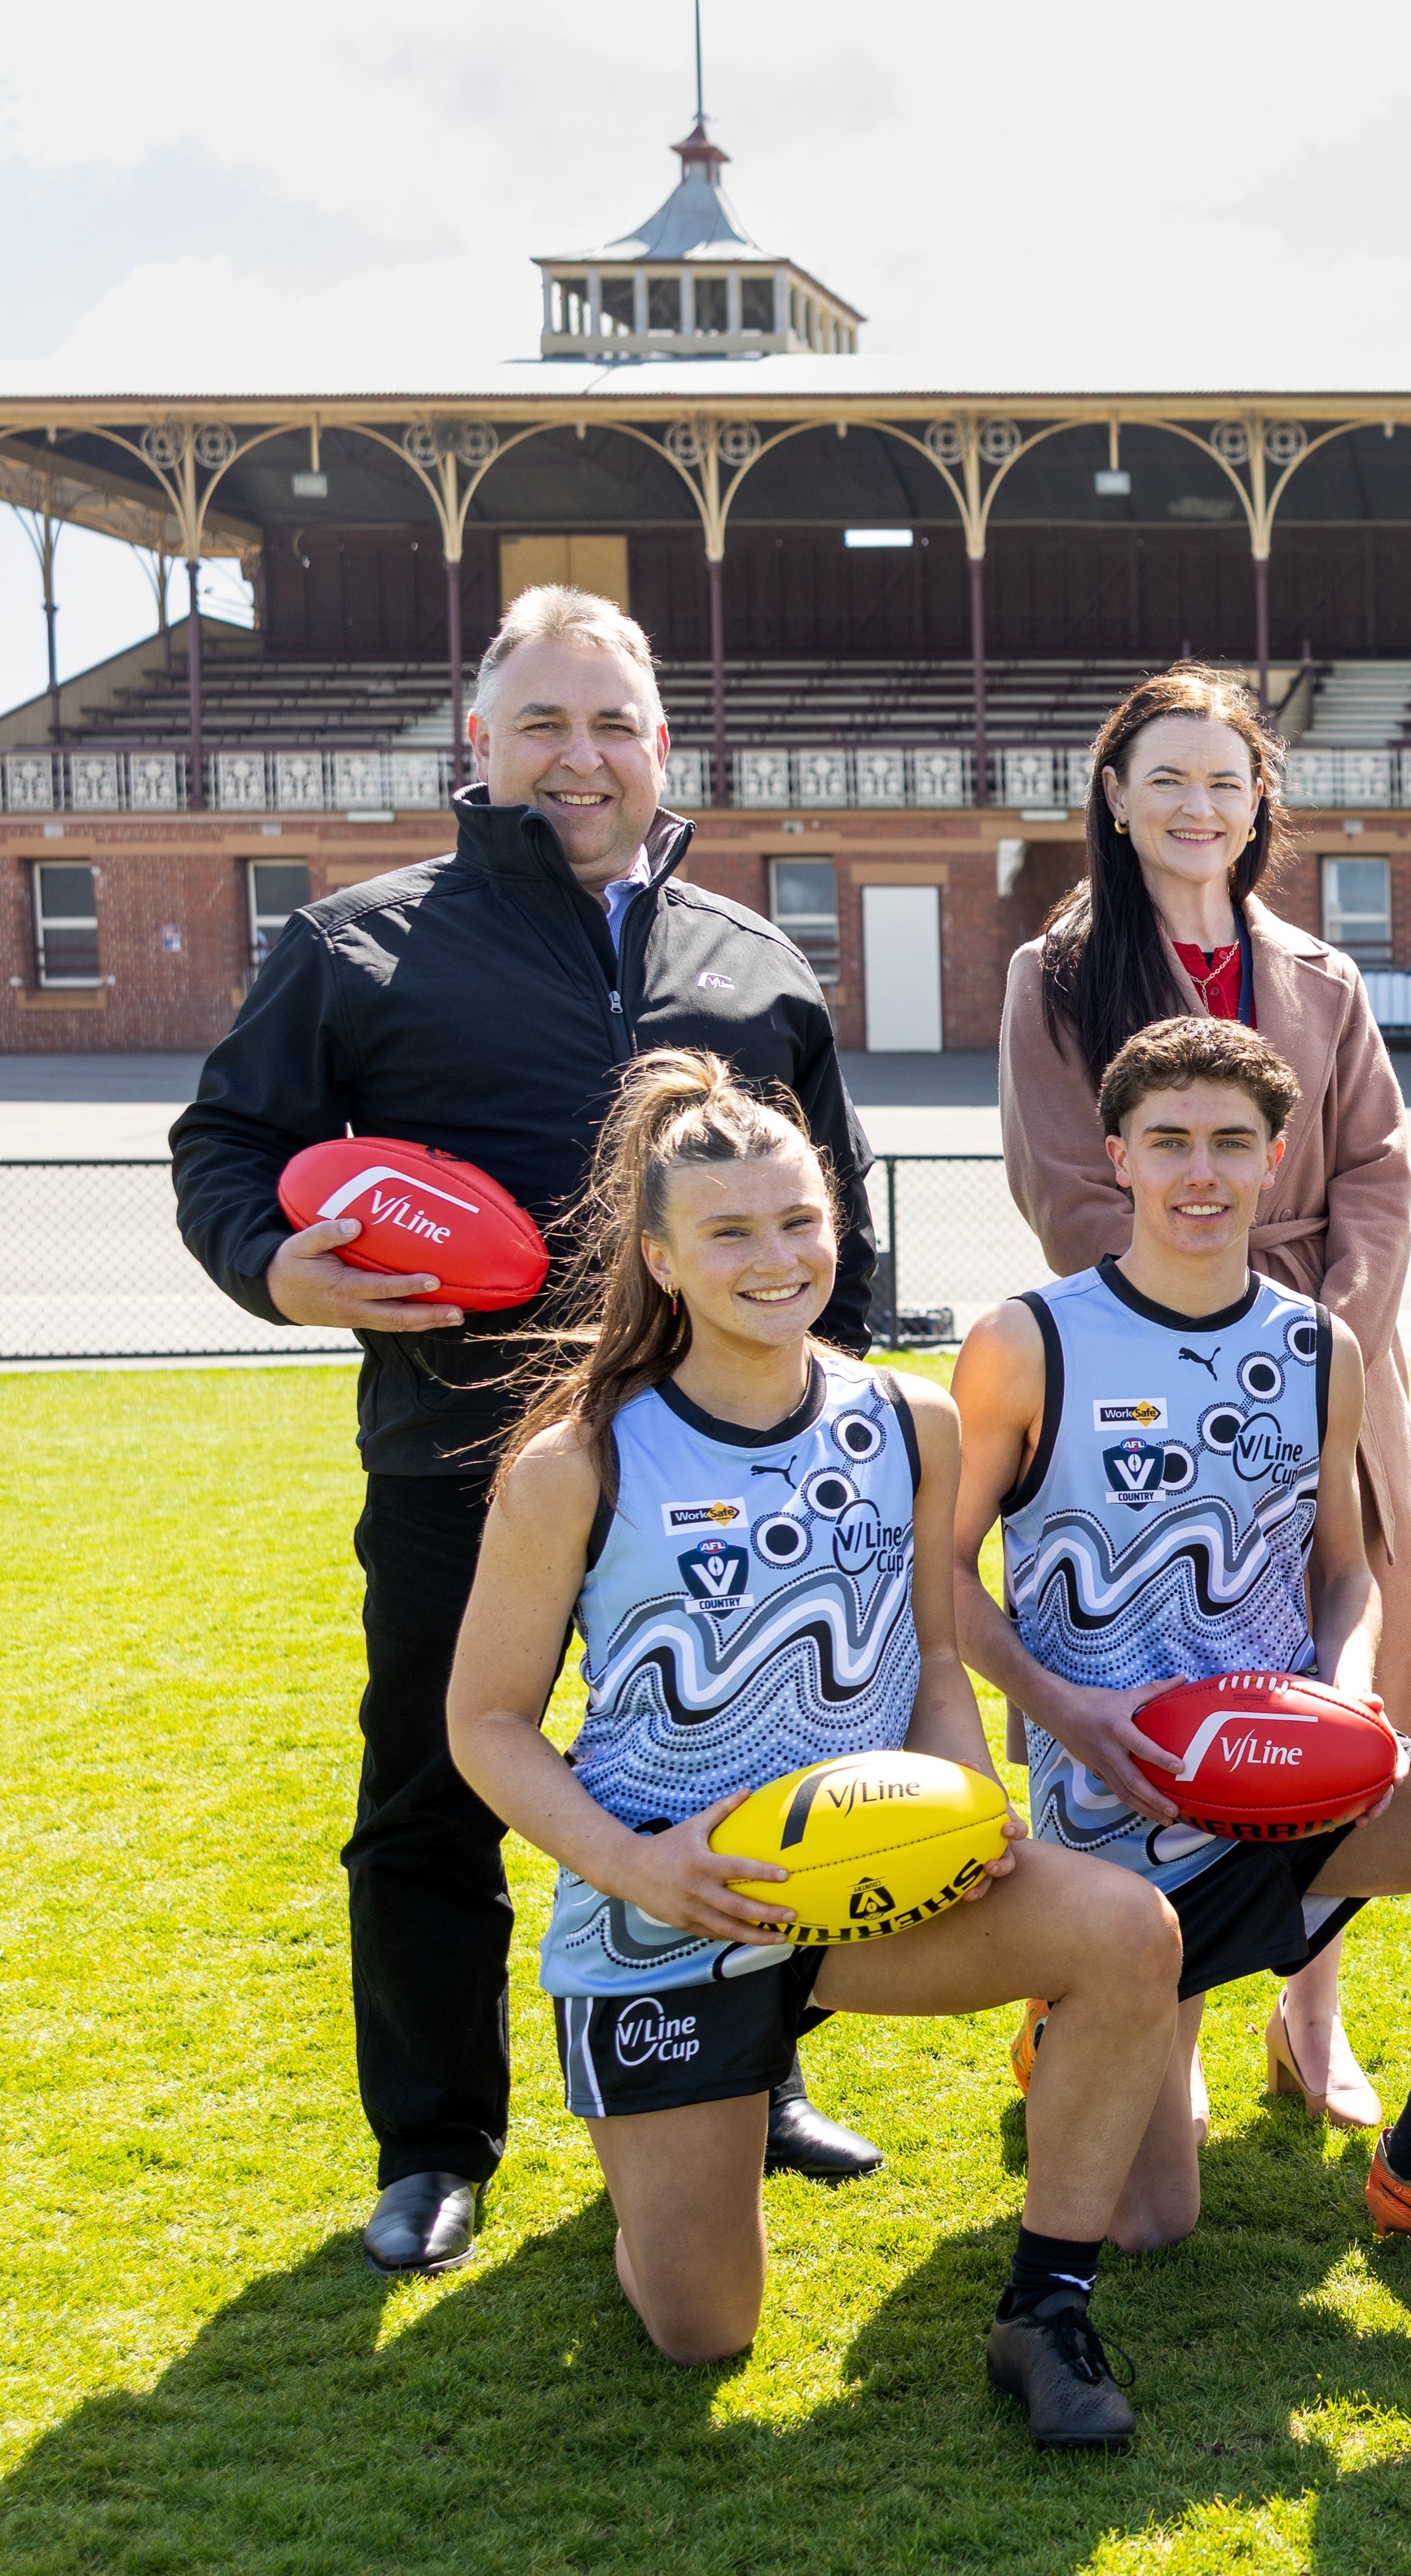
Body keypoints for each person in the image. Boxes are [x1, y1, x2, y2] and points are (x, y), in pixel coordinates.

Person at [167, 586, 886, 2280]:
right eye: (543, 725)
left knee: (756, 1783)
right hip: (460, 1458)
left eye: (612, 723)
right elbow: (224, 1148)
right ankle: (435, 2143)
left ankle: (753, 2078)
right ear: (478, 746)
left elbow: (835, 1213)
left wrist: (846, 1418)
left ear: (662, 746)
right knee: (430, 1789)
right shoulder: (356, 945)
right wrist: (278, 1266)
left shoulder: (754, 961)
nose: (581, 757)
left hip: (722, 1476)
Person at [444, 1053, 1178, 2447]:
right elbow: (482, 1721)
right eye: (728, 1231)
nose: (775, 1257)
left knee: (1128, 1930)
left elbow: (936, 1653)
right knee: (700, 2330)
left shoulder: (911, 1420)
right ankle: (672, 2148)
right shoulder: (581, 1462)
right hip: (671, 1915)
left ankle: (1046, 2305)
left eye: (797, 1220)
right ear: (659, 1257)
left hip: (859, 1889)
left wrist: (967, 1803)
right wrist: (635, 1866)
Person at [950, 1017, 1411, 2275]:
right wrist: (1063, 1708)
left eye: (1230, 1143)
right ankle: (1086, 2009)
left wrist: (1346, 1694)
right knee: (1151, 2225)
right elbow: (943, 1576)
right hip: (1118, 1822)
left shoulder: (1316, 1344)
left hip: (1296, 1783)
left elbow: (1346, 1567)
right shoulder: (1028, 1340)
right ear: (1118, 1158)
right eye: (1169, 1141)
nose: (1200, 1170)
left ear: (1273, 1159)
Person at [997, 663, 1411, 2131]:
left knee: (1334, 1691)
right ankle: (1127, 1989)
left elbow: (1374, 1164)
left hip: (1323, 1376)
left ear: (1261, 805)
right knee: (1156, 1692)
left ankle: (1313, 2017)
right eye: (1165, 778)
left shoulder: (1323, 974)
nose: (1197, 806)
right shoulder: (1053, 974)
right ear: (1114, 800)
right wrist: (1197, 1324)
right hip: (1137, 1386)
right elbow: (1065, 1185)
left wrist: (1321, 1337)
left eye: (1225, 780)